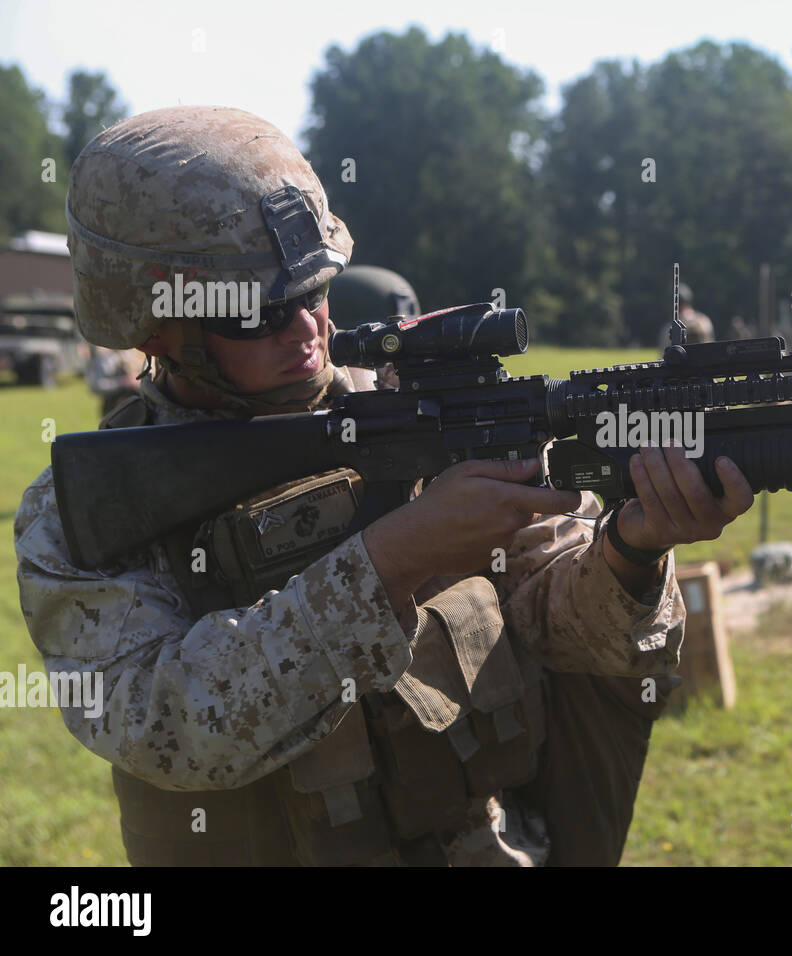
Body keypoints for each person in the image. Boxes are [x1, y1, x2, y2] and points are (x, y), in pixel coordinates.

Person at [14, 106, 754, 866]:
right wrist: (388, 562)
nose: (306, 329)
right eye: (260, 314)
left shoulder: (415, 412)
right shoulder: (81, 513)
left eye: (314, 292)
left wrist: (630, 550)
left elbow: (570, 629)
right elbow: (162, 725)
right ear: (154, 325)